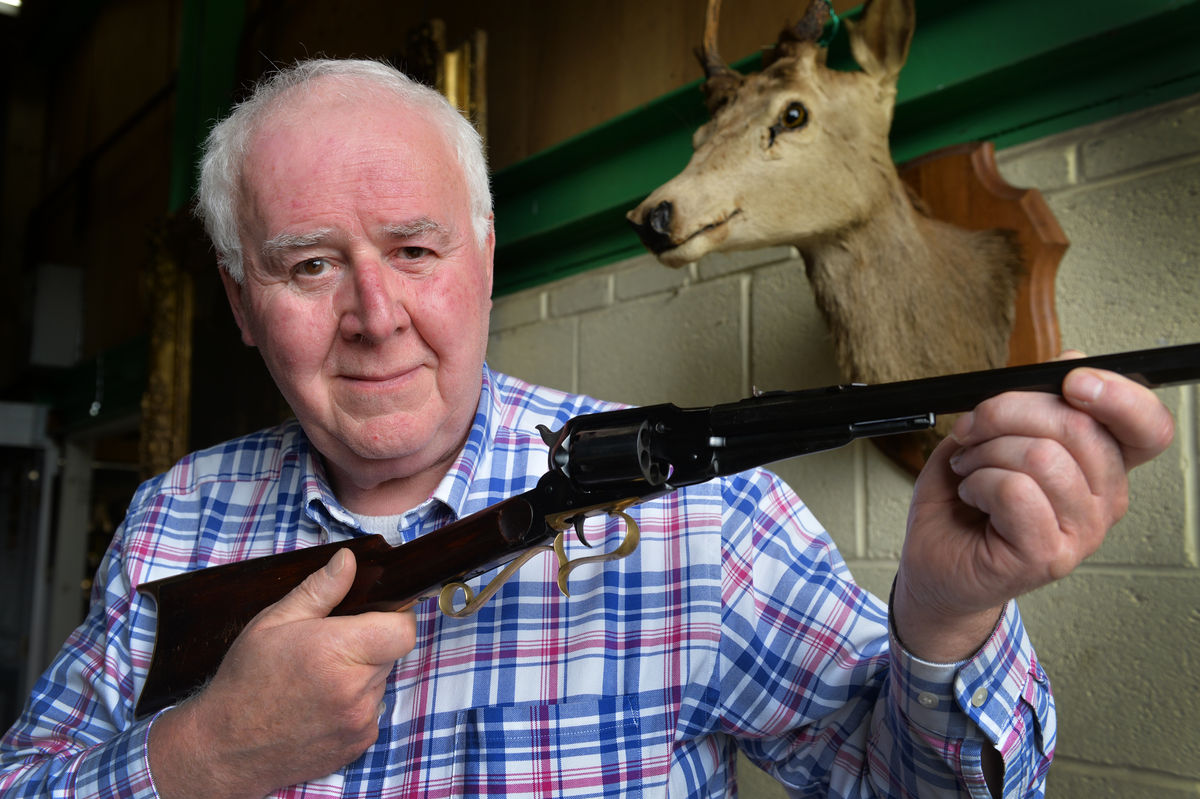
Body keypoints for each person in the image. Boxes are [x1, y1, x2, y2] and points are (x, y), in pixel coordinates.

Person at [0, 58, 1175, 798]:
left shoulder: (705, 509)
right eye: (309, 265)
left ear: (485, 257)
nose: (376, 315)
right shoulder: (175, 515)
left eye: (415, 249)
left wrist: (949, 614)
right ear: (242, 302)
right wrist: (197, 762)